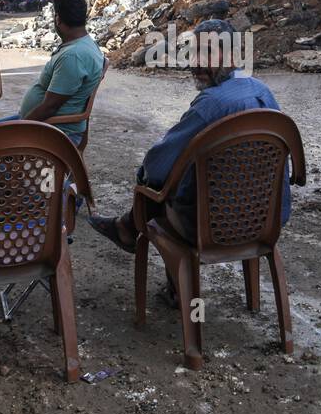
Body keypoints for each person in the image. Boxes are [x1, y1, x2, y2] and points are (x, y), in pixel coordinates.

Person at [88, 18, 291, 278]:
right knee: (185, 176)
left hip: (213, 226)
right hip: (264, 221)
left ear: (231, 55)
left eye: (207, 52)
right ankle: (127, 229)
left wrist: (149, 176)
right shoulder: (264, 92)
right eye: (194, 52)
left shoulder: (211, 105)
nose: (196, 62)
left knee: (160, 187)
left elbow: (156, 168)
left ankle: (129, 232)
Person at [13, 0, 104, 144]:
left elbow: (49, 107)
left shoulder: (73, 56)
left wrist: (20, 130)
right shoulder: (84, 44)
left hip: (54, 130)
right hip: (43, 125)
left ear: (58, 19)